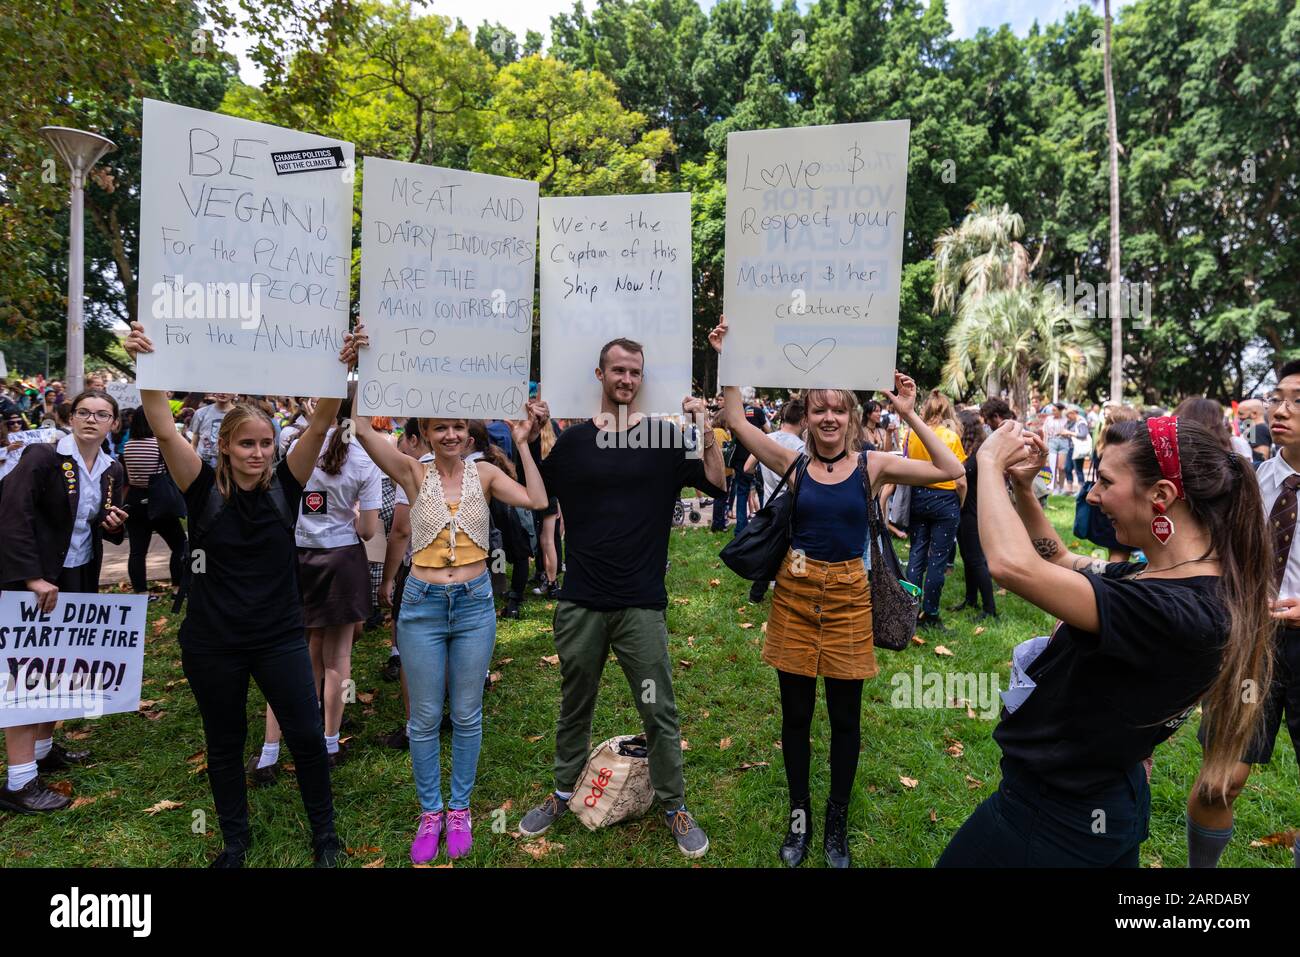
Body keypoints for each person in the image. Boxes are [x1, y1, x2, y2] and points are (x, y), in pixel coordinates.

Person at [937, 415, 1274, 867]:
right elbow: (1057, 559)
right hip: (1101, 799)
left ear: (1161, 496)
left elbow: (1012, 566)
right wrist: (1021, 487)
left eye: (1105, 481)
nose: (1092, 496)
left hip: (1051, 820)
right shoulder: (1163, 580)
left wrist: (989, 461)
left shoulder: (1175, 610)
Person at [708, 317, 962, 867]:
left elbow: (951, 466)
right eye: (819, 408)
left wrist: (908, 411)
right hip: (795, 597)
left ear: (852, 417)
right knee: (795, 717)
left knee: (846, 721)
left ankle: (836, 828)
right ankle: (800, 821)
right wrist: (728, 357)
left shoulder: (872, 465)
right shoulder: (792, 464)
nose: (827, 417)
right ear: (810, 415)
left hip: (850, 598)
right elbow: (734, 419)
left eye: (838, 409)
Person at [122, 321, 346, 867]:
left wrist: (338, 363)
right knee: (224, 744)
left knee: (306, 738)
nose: (258, 452)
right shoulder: (200, 485)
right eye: (247, 443)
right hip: (212, 642)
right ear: (225, 444)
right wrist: (146, 366)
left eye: (266, 443)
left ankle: (325, 837)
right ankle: (235, 842)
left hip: (279, 638)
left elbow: (320, 421)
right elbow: (160, 422)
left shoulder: (286, 485)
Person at [516, 336, 725, 858]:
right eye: (618, 371)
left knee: (657, 708)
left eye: (635, 372)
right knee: (575, 703)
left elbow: (718, 484)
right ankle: (563, 792)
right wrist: (528, 439)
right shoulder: (574, 443)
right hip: (582, 602)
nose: (626, 380)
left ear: (642, 377)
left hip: (640, 605)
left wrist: (705, 429)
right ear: (600, 375)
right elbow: (539, 497)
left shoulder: (663, 440)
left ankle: (673, 803)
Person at [346, 324, 548, 862]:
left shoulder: (484, 475)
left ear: (471, 432)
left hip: (476, 604)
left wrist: (525, 444)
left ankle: (459, 808)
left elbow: (536, 497)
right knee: (423, 716)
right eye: (441, 428)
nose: (452, 435)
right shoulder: (414, 473)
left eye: (459, 427)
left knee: (467, 713)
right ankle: (429, 810)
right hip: (423, 606)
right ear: (427, 433)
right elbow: (363, 429)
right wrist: (361, 363)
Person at [1186, 359, 1300, 868]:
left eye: (1298, 402)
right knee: (1219, 781)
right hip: (1253, 643)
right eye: (1278, 398)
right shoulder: (1251, 482)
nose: (1281, 409)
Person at [0, 389, 128, 813]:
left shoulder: (113, 469)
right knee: (25, 672)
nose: (92, 419)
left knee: (62, 662)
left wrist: (112, 526)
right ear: (70, 417)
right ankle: (19, 782)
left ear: (114, 423)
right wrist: (32, 577)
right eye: (84, 412)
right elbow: (13, 514)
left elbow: (101, 527)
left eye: (102, 414)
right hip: (36, 577)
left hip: (79, 571)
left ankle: (43, 750)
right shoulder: (42, 457)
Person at [252, 384, 381, 781]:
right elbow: (368, 529)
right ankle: (328, 742)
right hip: (341, 559)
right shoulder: (364, 460)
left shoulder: (296, 446)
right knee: (337, 657)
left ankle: (270, 751)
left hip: (297, 557)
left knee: (291, 653)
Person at [905, 390, 967, 632]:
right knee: (938, 560)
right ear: (944, 410)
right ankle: (930, 614)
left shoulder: (912, 434)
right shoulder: (951, 436)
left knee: (916, 555)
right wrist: (960, 503)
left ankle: (909, 609)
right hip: (945, 498)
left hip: (919, 495)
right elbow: (960, 479)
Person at [120, 406, 187, 599]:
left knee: (137, 551)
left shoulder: (129, 444)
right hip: (159, 500)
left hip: (134, 500)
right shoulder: (159, 444)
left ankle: (141, 592)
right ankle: (177, 587)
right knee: (179, 545)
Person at [744, 398, 806, 603]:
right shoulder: (801, 448)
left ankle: (756, 595)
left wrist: (762, 479)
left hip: (770, 503)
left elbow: (747, 468)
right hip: (792, 507)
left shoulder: (767, 439)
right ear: (804, 420)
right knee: (798, 548)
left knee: (771, 550)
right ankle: (796, 590)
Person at [950, 410, 997, 619]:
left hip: (972, 509)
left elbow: (962, 472)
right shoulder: (967, 448)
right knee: (968, 557)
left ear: (965, 428)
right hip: (964, 508)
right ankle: (970, 599)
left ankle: (990, 609)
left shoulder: (978, 452)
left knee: (976, 559)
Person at [191, 393, 236, 467]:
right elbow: (194, 442)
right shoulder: (201, 413)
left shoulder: (238, 415)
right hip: (202, 463)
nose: (223, 392)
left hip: (228, 465)